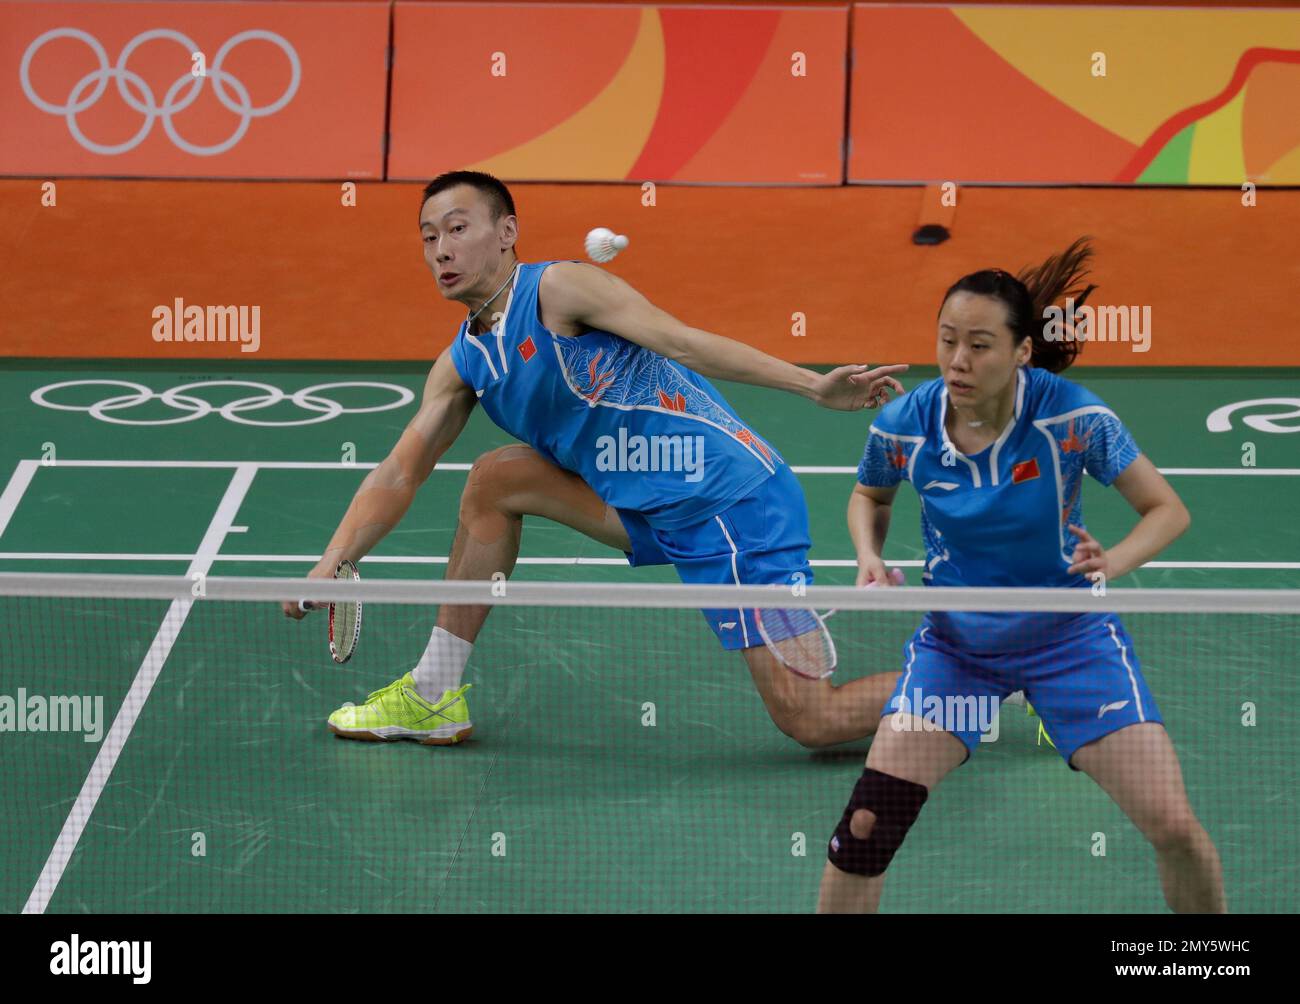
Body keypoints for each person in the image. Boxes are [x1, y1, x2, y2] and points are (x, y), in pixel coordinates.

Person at [284, 170, 907, 750]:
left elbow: (683, 341)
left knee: (810, 719)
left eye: (457, 228)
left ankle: (971, 685)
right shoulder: (464, 363)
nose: (441, 250)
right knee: (495, 479)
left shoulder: (561, 289)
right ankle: (434, 691)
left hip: (732, 507)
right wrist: (333, 558)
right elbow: (401, 469)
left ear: (506, 233)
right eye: (428, 237)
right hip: (644, 508)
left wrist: (813, 387)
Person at [818, 239, 1225, 913]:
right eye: (948, 340)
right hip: (957, 650)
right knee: (865, 830)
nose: (957, 360)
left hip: (1070, 642)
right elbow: (870, 496)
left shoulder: (1072, 418)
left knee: (1174, 827)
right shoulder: (905, 424)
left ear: (1021, 352)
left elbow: (1166, 509)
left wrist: (1112, 561)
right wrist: (867, 552)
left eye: (980, 344)